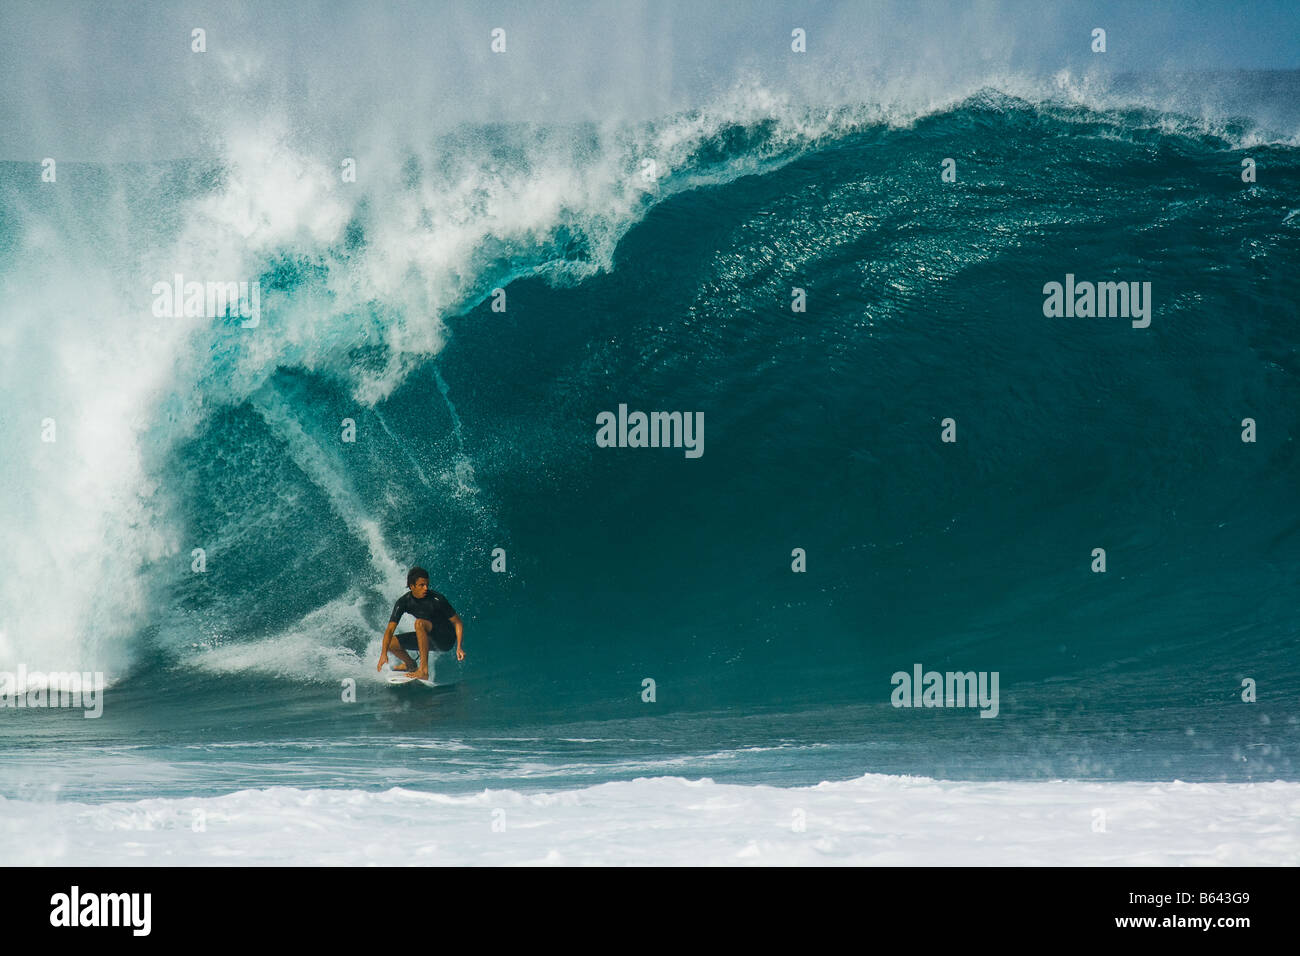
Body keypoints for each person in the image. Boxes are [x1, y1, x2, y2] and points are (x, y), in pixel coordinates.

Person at [377, 566, 465, 680]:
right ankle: (410, 665)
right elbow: (389, 629)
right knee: (390, 643)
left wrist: (459, 647)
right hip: (428, 637)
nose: (425, 588)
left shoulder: (437, 599)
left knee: (419, 623)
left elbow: (457, 622)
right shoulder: (403, 602)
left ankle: (423, 671)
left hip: (445, 639)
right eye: (421, 585)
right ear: (411, 586)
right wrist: (383, 653)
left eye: (427, 585)